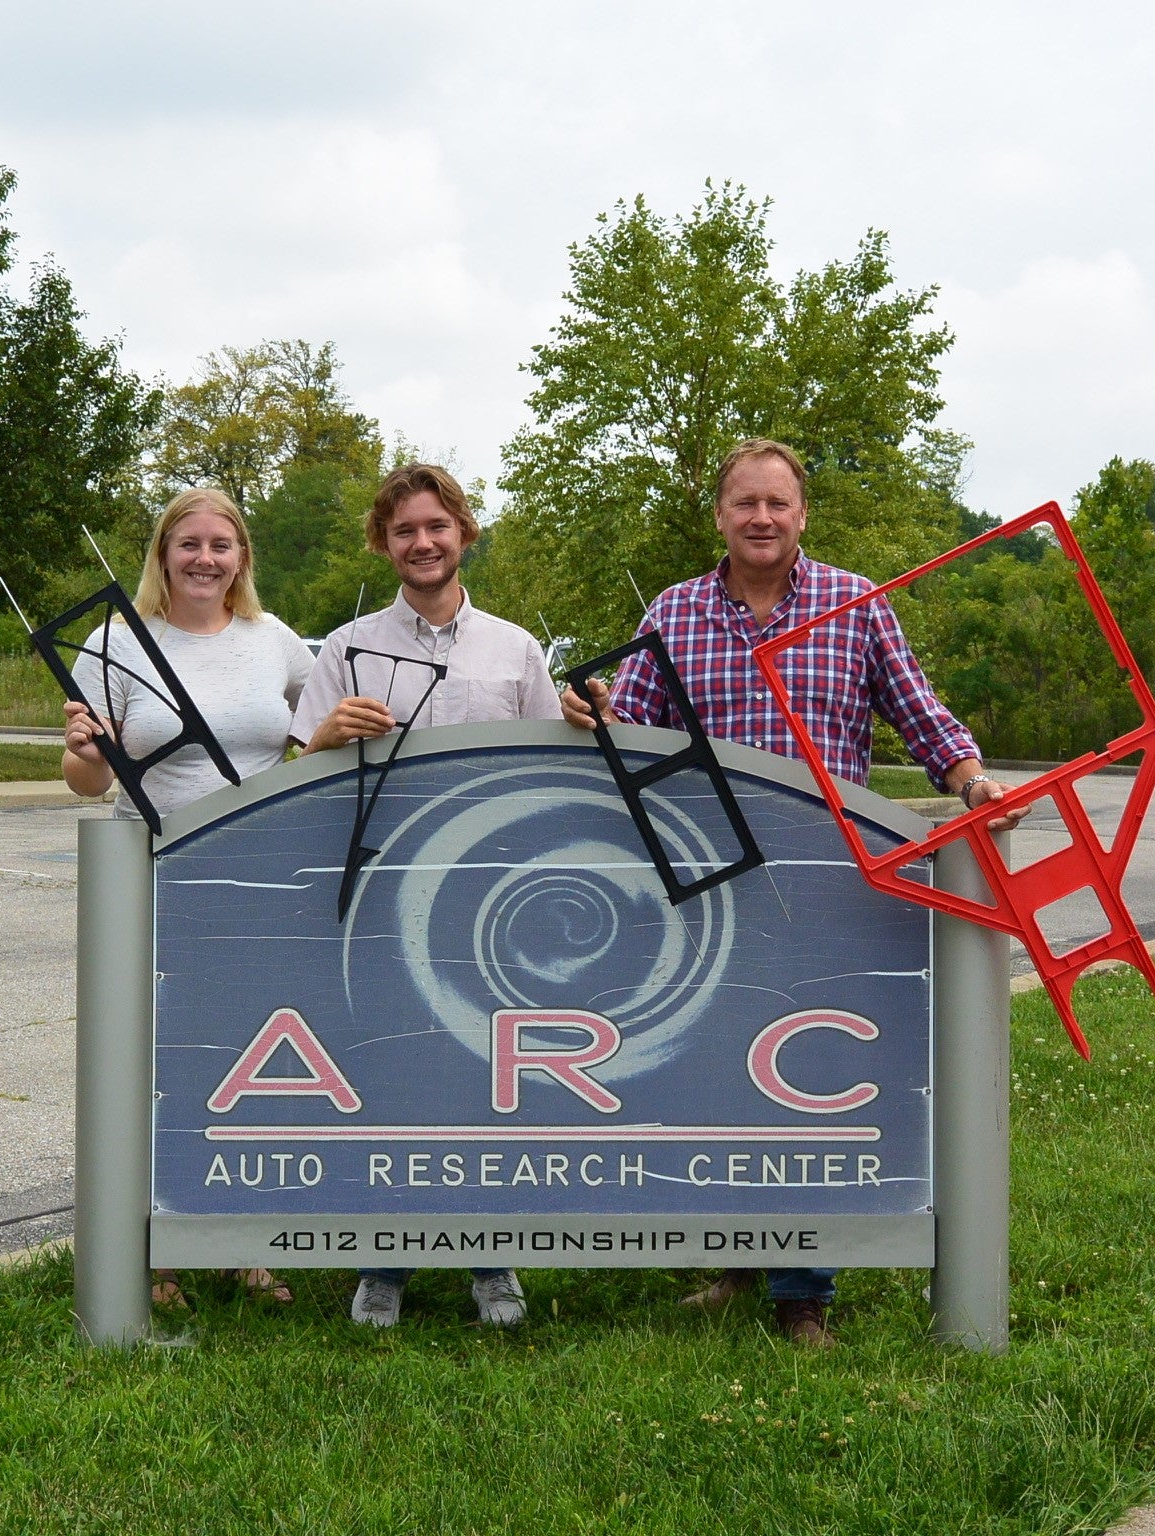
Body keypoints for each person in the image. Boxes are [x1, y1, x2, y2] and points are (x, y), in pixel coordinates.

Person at [562, 437, 1028, 1349]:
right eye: (746, 504)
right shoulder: (677, 611)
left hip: (826, 880)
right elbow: (639, 733)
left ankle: (802, 1291)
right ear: (721, 515)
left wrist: (973, 779)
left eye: (778, 503)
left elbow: (918, 710)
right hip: (711, 881)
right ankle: (741, 1261)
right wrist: (595, 709)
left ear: (802, 514)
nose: (762, 518)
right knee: (723, 1074)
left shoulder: (854, 603)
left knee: (812, 1077)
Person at [291, 461, 563, 1330]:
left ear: (463, 534)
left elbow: (554, 775)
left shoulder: (517, 650)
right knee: (392, 1076)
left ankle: (493, 1265)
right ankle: (385, 1266)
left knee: (490, 1082)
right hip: (382, 899)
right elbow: (301, 780)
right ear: (385, 542)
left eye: (436, 527)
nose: (422, 543)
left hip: (493, 907)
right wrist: (328, 735)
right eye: (404, 530)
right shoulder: (347, 647)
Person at [62, 485, 314, 1310]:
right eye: (189, 544)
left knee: (248, 1063)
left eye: (222, 544)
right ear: (162, 553)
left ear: (242, 556)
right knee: (157, 1066)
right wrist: (85, 751)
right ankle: (156, 1255)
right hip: (154, 878)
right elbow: (85, 782)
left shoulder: (273, 642)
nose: (206, 559)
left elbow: (314, 741)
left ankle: (245, 1244)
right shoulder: (115, 643)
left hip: (257, 879)